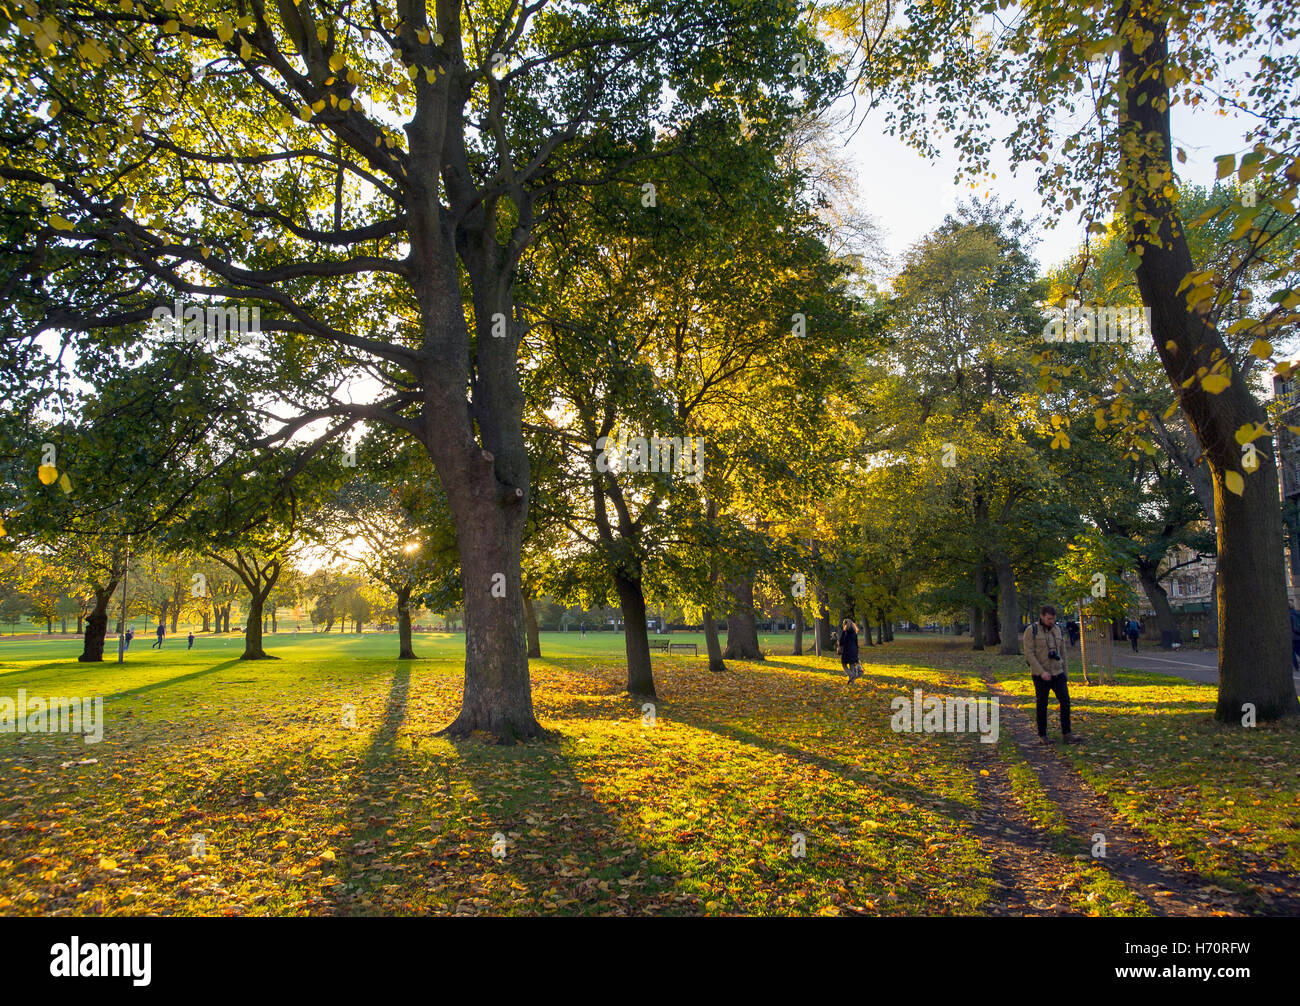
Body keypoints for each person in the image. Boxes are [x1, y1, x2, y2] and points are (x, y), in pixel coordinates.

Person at [1023, 604, 1079, 744]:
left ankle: (1067, 733)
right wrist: (1041, 672)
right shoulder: (1032, 631)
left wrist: (1065, 672)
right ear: (1041, 616)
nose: (1051, 622)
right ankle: (1042, 735)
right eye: (1049, 619)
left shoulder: (1058, 630)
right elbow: (1029, 654)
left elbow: (1063, 652)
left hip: (1057, 672)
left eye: (1053, 619)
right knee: (1042, 704)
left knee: (1065, 701)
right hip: (1040, 674)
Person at [839, 618, 862, 682]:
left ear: (845, 624)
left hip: (847, 651)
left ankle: (851, 675)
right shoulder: (854, 633)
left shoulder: (845, 632)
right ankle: (852, 681)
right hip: (854, 650)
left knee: (844, 664)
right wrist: (857, 651)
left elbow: (841, 642)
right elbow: (856, 643)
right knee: (851, 665)